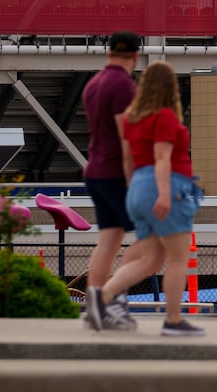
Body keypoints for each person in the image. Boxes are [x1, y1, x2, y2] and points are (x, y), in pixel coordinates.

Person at [89, 61, 204, 337]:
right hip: (165, 185)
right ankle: (174, 321)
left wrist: (134, 190)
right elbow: (162, 158)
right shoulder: (164, 117)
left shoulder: (132, 119)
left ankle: (101, 296)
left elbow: (128, 159)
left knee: (150, 260)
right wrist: (164, 194)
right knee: (178, 258)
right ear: (170, 87)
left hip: (138, 186)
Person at [81, 31, 148, 331]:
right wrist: (135, 183)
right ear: (135, 57)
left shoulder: (93, 84)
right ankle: (112, 300)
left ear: (109, 53)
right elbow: (127, 140)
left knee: (108, 241)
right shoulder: (124, 87)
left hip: (94, 170)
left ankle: (94, 307)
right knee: (151, 240)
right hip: (116, 174)